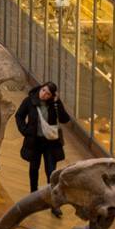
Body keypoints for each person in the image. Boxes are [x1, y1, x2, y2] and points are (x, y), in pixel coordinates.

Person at [16, 82, 72, 213]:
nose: (44, 94)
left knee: (51, 173)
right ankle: (33, 197)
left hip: (50, 144)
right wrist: (25, 130)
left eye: (48, 94)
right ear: (40, 89)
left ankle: (54, 203)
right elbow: (19, 116)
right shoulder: (29, 101)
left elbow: (65, 119)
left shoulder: (54, 104)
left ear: (52, 96)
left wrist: (58, 103)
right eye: (43, 90)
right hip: (34, 142)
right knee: (34, 169)